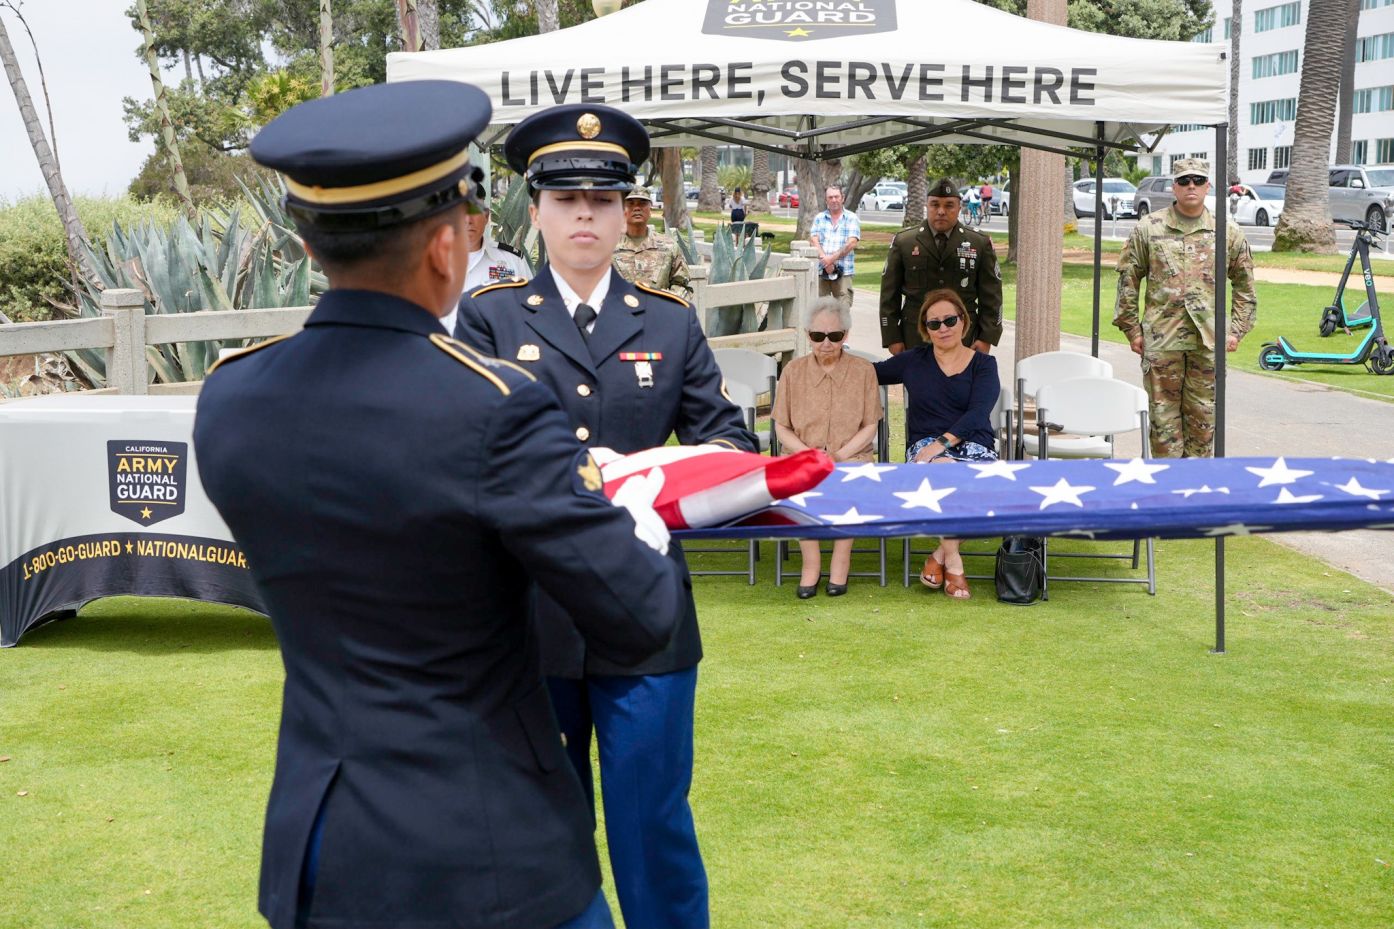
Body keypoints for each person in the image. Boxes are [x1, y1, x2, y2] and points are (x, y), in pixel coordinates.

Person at [193, 81, 685, 929]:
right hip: (491, 854)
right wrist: (633, 514)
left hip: (321, 847)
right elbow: (641, 612)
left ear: (308, 244)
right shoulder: (494, 407)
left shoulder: (232, 396)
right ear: (446, 244)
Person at [455, 103, 757, 929]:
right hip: (530, 614)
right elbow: (462, 451)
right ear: (535, 211)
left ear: (627, 212)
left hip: (645, 613)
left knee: (654, 829)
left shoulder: (669, 320)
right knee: (540, 837)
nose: (584, 215)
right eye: (565, 199)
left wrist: (649, 476)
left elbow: (730, 444)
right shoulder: (490, 318)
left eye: (602, 199)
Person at [1114, 158, 1257, 458]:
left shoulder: (1227, 232)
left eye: (1197, 180)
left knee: (1203, 426)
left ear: (1207, 186)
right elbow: (1128, 280)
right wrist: (1132, 330)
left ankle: (1197, 483)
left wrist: (1236, 330)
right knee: (1163, 428)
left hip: (1208, 343)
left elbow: (1245, 286)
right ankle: (1168, 483)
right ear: (1174, 187)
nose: (1191, 186)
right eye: (1184, 181)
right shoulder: (1149, 228)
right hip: (1162, 342)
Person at [874, 289, 1000, 601]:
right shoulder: (913, 361)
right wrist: (828, 348)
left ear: (963, 322)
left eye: (949, 320)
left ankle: (940, 556)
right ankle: (954, 563)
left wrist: (942, 443)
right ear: (925, 330)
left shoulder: (984, 364)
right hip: (925, 448)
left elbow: (978, 414)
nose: (943, 328)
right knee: (946, 475)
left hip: (974, 446)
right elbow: (868, 372)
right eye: (934, 323)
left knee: (985, 488)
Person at [771, 296, 880, 599]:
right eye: (818, 336)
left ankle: (841, 560)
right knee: (799, 484)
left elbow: (870, 425)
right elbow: (781, 427)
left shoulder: (864, 371)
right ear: (808, 335)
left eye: (835, 335)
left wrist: (839, 455)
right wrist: (808, 455)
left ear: (846, 335)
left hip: (852, 455)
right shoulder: (792, 371)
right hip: (801, 455)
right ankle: (811, 563)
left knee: (850, 483)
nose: (827, 343)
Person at [880, 177, 1003, 357]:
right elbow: (889, 296)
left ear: (959, 208)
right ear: (927, 206)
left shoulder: (978, 243)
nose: (941, 211)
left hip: (964, 337)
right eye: (935, 205)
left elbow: (992, 296)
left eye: (949, 205)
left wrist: (986, 337)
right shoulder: (905, 242)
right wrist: (892, 337)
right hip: (915, 337)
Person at [437, 202, 531, 333]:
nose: (468, 220)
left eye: (474, 211)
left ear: (486, 216)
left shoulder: (512, 260)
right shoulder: (430, 262)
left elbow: (530, 311)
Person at [612, 185, 693, 300]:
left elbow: (682, 284)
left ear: (650, 209)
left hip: (658, 309)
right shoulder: (607, 248)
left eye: (642, 203)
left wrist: (668, 303)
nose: (637, 208)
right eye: (631, 203)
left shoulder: (669, 247)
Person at [808, 185, 862, 311]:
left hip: (844, 273)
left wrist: (831, 259)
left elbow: (852, 242)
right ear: (826, 200)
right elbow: (813, 240)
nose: (834, 200)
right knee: (821, 313)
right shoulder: (819, 218)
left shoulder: (851, 218)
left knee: (843, 313)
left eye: (836, 197)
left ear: (842, 198)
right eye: (830, 197)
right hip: (821, 272)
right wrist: (825, 260)